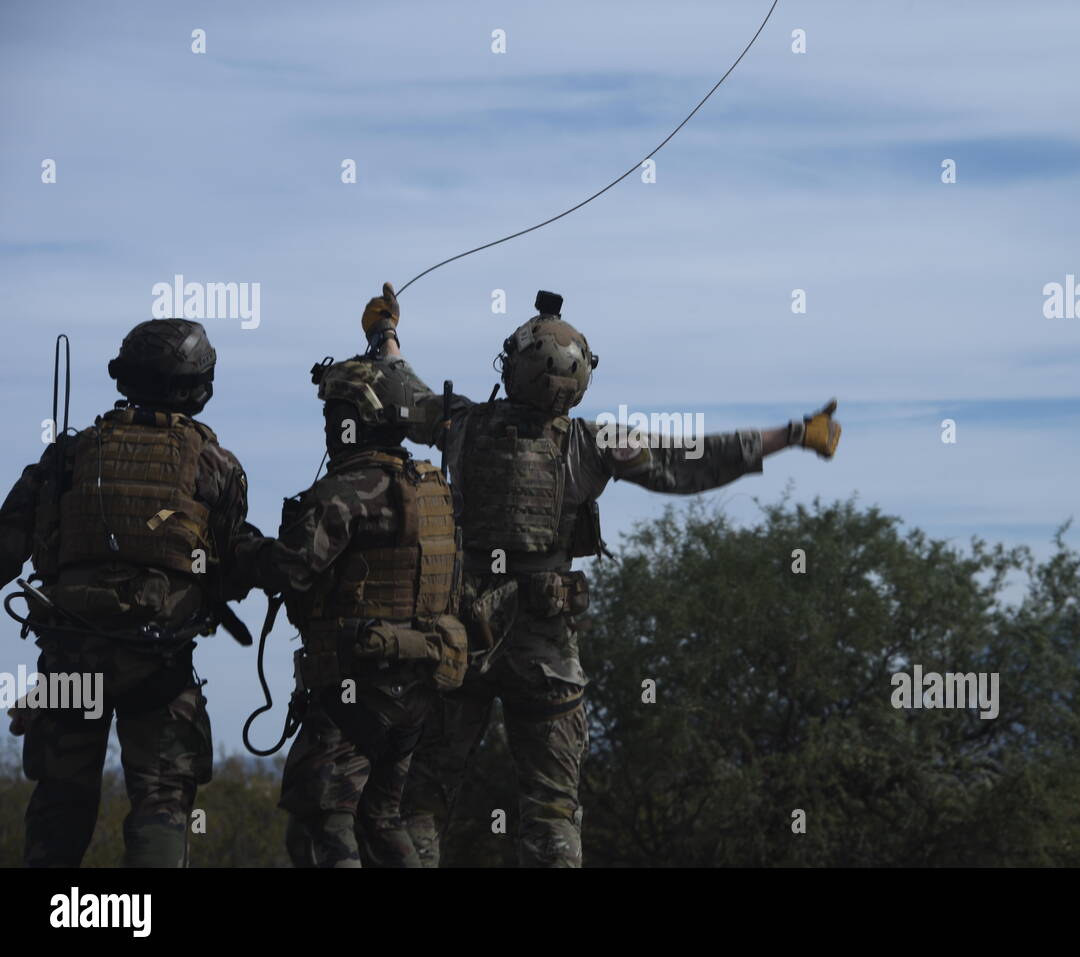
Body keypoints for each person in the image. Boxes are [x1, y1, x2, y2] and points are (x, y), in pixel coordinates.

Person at [396, 289, 842, 867]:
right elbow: (689, 461)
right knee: (552, 808)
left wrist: (387, 335)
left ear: (511, 366)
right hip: (546, 649)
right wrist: (792, 434)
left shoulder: (458, 423)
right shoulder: (595, 443)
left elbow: (404, 393)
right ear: (579, 379)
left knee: (424, 796)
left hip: (460, 638)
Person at [0, 319, 258, 867]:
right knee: (163, 801)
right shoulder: (215, 466)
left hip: (70, 659)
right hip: (158, 665)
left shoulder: (66, 457)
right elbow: (232, 564)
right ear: (197, 386)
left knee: (59, 802)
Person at [237, 282, 468, 867]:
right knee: (381, 816)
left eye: (334, 413)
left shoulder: (346, 490)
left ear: (353, 421)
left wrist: (242, 548)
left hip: (355, 685)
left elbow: (291, 568)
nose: (328, 424)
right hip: (418, 686)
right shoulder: (434, 490)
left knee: (322, 824)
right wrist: (383, 341)